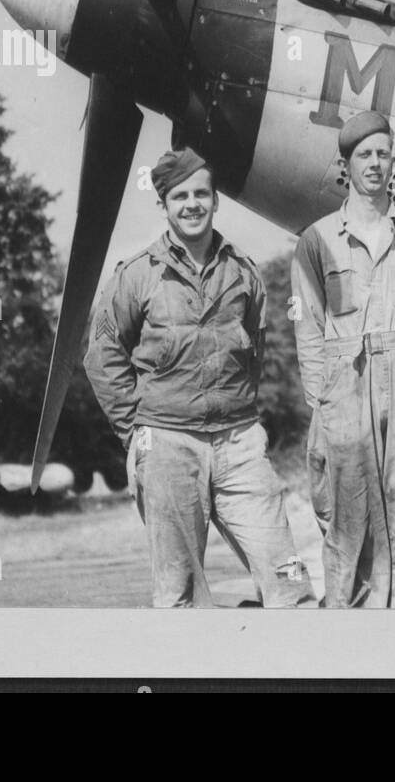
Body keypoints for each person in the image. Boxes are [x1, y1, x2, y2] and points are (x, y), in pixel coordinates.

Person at [85, 148, 315, 609]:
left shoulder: (245, 272)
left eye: (201, 195)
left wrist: (245, 419)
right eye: (180, 196)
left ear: (215, 201)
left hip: (239, 444)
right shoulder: (136, 275)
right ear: (164, 205)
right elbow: (102, 355)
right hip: (166, 444)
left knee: (289, 579)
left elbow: (255, 347)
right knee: (179, 594)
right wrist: (137, 432)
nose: (192, 204)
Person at [291, 111, 395, 608]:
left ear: (393, 162)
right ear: (347, 165)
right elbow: (308, 328)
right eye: (364, 155)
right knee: (347, 511)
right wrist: (325, 400)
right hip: (345, 381)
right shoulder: (316, 240)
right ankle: (353, 632)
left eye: (383, 153)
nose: (375, 163)